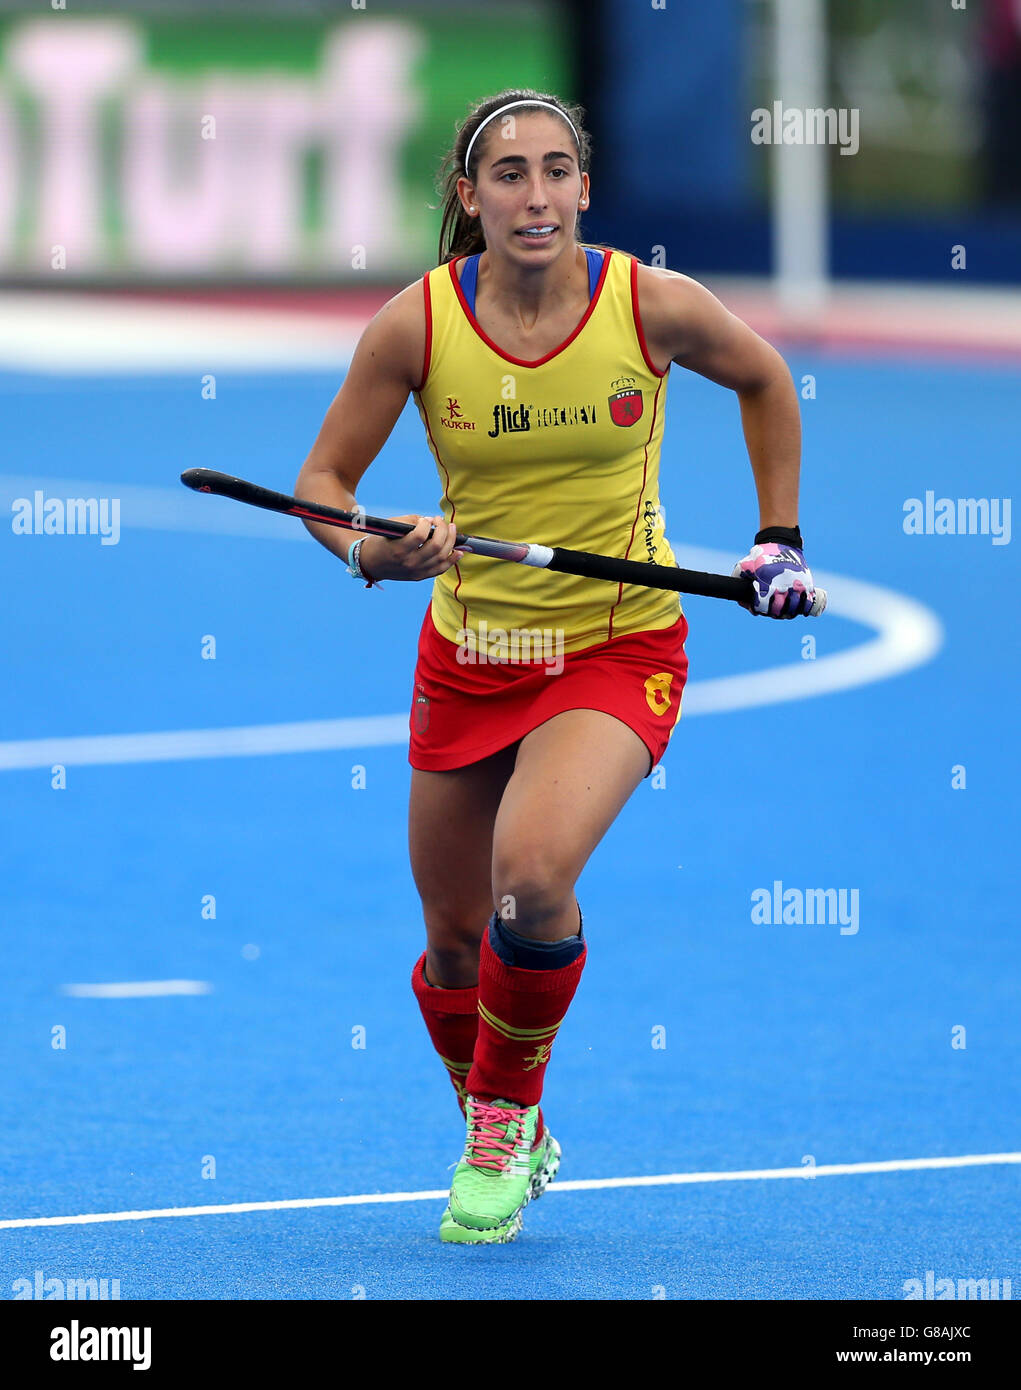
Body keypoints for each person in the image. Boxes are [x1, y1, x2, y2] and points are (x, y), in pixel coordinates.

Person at [294, 88, 820, 1243]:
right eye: (509, 174)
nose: (535, 195)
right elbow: (324, 488)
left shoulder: (650, 303)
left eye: (556, 171)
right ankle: (509, 1123)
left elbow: (768, 379)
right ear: (467, 196)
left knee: (529, 878)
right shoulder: (416, 327)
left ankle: (499, 1118)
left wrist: (777, 538)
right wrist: (375, 556)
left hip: (614, 644)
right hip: (472, 650)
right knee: (451, 938)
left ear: (585, 185)